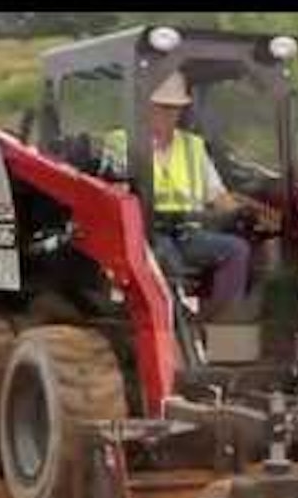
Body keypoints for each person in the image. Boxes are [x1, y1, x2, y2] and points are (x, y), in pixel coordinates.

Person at [100, 71, 255, 319]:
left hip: (188, 232)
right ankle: (169, 324)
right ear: (145, 106)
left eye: (173, 108)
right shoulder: (121, 142)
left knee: (237, 250)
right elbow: (113, 193)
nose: (167, 114)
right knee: (167, 259)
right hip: (145, 232)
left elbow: (217, 195)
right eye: (161, 107)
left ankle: (220, 322)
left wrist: (241, 212)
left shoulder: (193, 146)